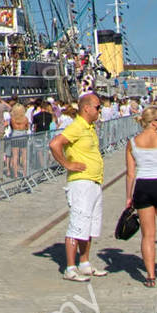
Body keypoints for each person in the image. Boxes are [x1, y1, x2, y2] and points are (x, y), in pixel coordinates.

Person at [49, 91, 107, 282]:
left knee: (88, 225)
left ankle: (84, 263)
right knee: (77, 224)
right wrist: (67, 164)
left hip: (94, 181)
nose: (100, 110)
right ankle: (70, 267)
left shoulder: (89, 127)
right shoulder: (78, 126)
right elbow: (55, 143)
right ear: (86, 108)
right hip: (81, 182)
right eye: (98, 107)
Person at [124, 102, 157, 287]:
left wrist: (129, 197)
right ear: (153, 122)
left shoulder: (132, 142)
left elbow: (130, 174)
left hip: (143, 186)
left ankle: (150, 276)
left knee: (148, 235)